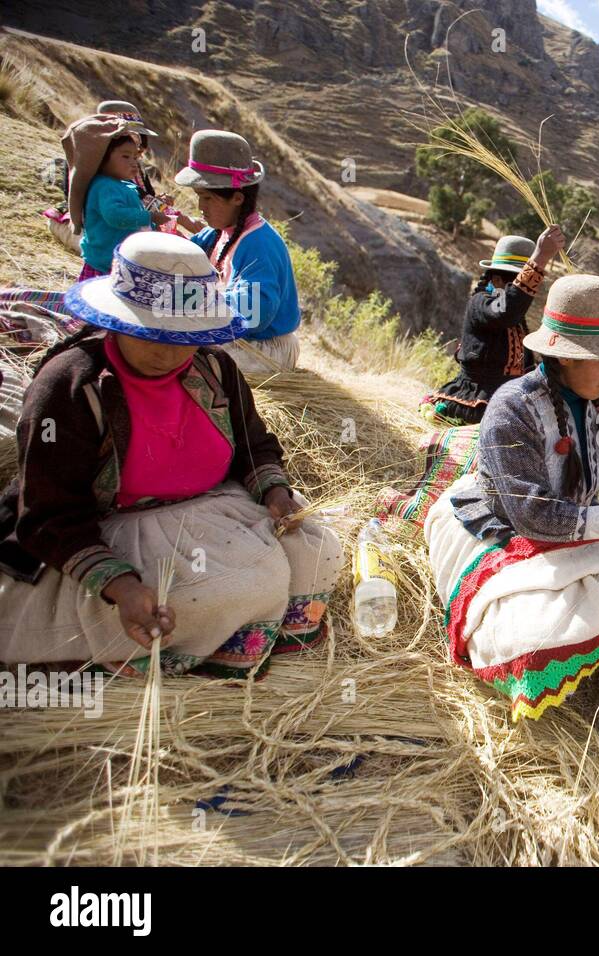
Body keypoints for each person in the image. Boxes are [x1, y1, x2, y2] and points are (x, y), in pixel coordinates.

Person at [0, 232, 344, 679]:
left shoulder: (214, 367)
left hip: (214, 513)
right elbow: (48, 512)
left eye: (183, 336)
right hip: (111, 532)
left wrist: (275, 491)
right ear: (120, 320)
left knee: (317, 550)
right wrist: (119, 585)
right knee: (219, 590)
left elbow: (253, 442)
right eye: (151, 334)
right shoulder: (70, 385)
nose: (168, 352)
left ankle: (247, 635)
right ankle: (119, 651)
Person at [424, 274, 599, 812]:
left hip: (575, 523)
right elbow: (530, 513)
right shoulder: (513, 407)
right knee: (535, 633)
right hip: (504, 533)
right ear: (564, 357)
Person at [174, 129, 301, 375]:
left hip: (265, 348)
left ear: (237, 198)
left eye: (207, 198)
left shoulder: (258, 245)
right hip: (239, 336)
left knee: (184, 357)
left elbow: (256, 314)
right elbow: (188, 254)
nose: (200, 206)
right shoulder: (219, 233)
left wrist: (194, 299)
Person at [422, 229, 564, 425]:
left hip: (509, 399)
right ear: (495, 280)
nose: (523, 293)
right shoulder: (480, 304)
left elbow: (527, 366)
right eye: (515, 283)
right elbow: (508, 309)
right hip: (479, 403)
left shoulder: (517, 321)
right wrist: (539, 257)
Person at [62, 114, 169, 280]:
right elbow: (115, 216)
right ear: (102, 158)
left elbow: (133, 210)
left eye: (135, 157)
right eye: (126, 156)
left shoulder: (123, 185)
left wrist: (157, 209)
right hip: (104, 263)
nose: (134, 162)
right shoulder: (104, 186)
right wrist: (150, 217)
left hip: (118, 260)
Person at [95, 100, 203, 235]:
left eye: (138, 153)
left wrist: (160, 202)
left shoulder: (136, 170)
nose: (136, 158)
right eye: (128, 154)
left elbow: (147, 198)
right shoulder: (104, 176)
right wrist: (180, 219)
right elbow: (127, 209)